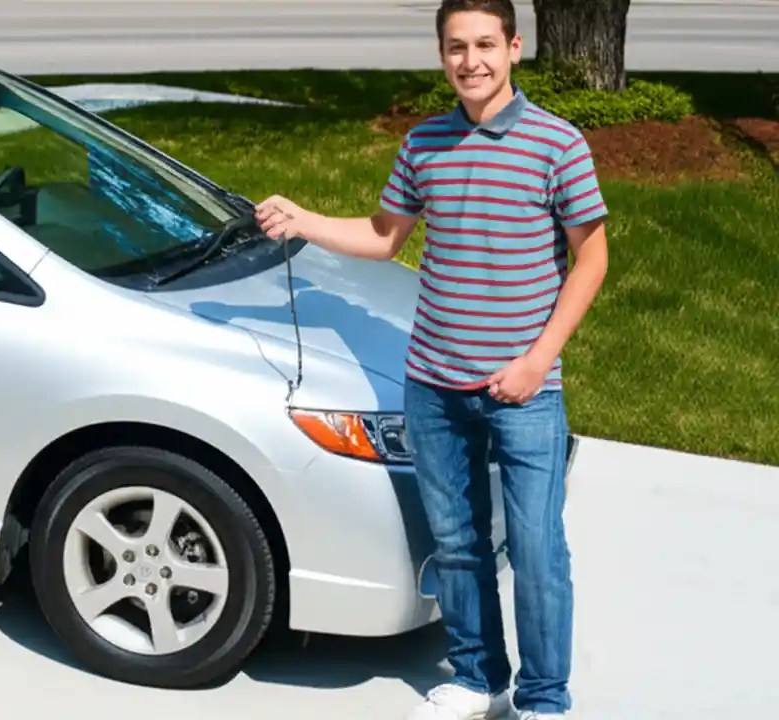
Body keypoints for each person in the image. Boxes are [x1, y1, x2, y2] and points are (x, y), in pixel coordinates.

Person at [254, 1, 609, 718]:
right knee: (456, 544)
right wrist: (303, 220)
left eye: (485, 45)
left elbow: (592, 258)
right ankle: (478, 679)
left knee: (538, 552)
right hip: (434, 387)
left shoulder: (557, 144)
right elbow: (386, 235)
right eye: (456, 47)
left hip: (523, 389)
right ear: (441, 54)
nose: (470, 61)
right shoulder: (426, 143)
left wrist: (539, 360)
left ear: (514, 48)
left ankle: (544, 698)